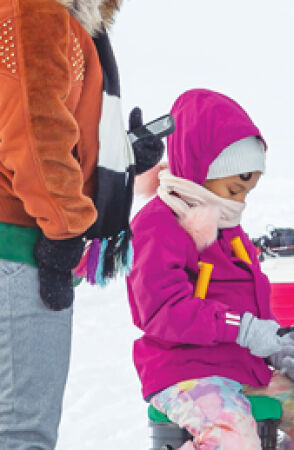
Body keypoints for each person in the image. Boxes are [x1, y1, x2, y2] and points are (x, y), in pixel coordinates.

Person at [127, 88, 294, 449]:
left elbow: (254, 308)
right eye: (234, 186)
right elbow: (162, 310)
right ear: (203, 167)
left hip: (243, 370)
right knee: (234, 439)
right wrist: (243, 329)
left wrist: (281, 350)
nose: (239, 200)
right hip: (184, 373)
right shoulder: (158, 224)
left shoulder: (229, 229)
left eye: (248, 190)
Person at [0, 0, 163, 447]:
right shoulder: (32, 12)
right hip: (20, 246)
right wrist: (65, 231)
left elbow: (56, 126)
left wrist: (124, 154)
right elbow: (36, 136)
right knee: (21, 433)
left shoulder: (63, 22)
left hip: (24, 239)